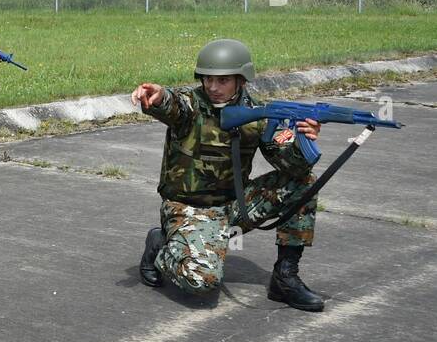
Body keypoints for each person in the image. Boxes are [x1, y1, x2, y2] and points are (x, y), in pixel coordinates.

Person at [132, 39, 325, 311]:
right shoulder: (192, 105)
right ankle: (160, 247)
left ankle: (285, 277)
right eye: (208, 79)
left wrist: (304, 141)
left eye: (223, 81)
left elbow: (292, 167)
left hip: (234, 208)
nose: (213, 87)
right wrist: (157, 96)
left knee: (303, 183)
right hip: (188, 209)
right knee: (203, 281)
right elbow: (172, 103)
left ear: (241, 80)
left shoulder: (258, 115)